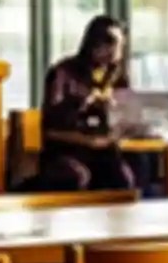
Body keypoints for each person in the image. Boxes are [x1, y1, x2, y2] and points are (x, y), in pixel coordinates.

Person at [38, 15, 135, 191]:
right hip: (67, 150)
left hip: (104, 149)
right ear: (94, 44)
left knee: (124, 177)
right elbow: (50, 129)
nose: (116, 52)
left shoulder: (118, 76)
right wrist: (86, 102)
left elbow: (125, 113)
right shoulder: (63, 73)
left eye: (119, 46)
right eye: (111, 44)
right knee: (77, 176)